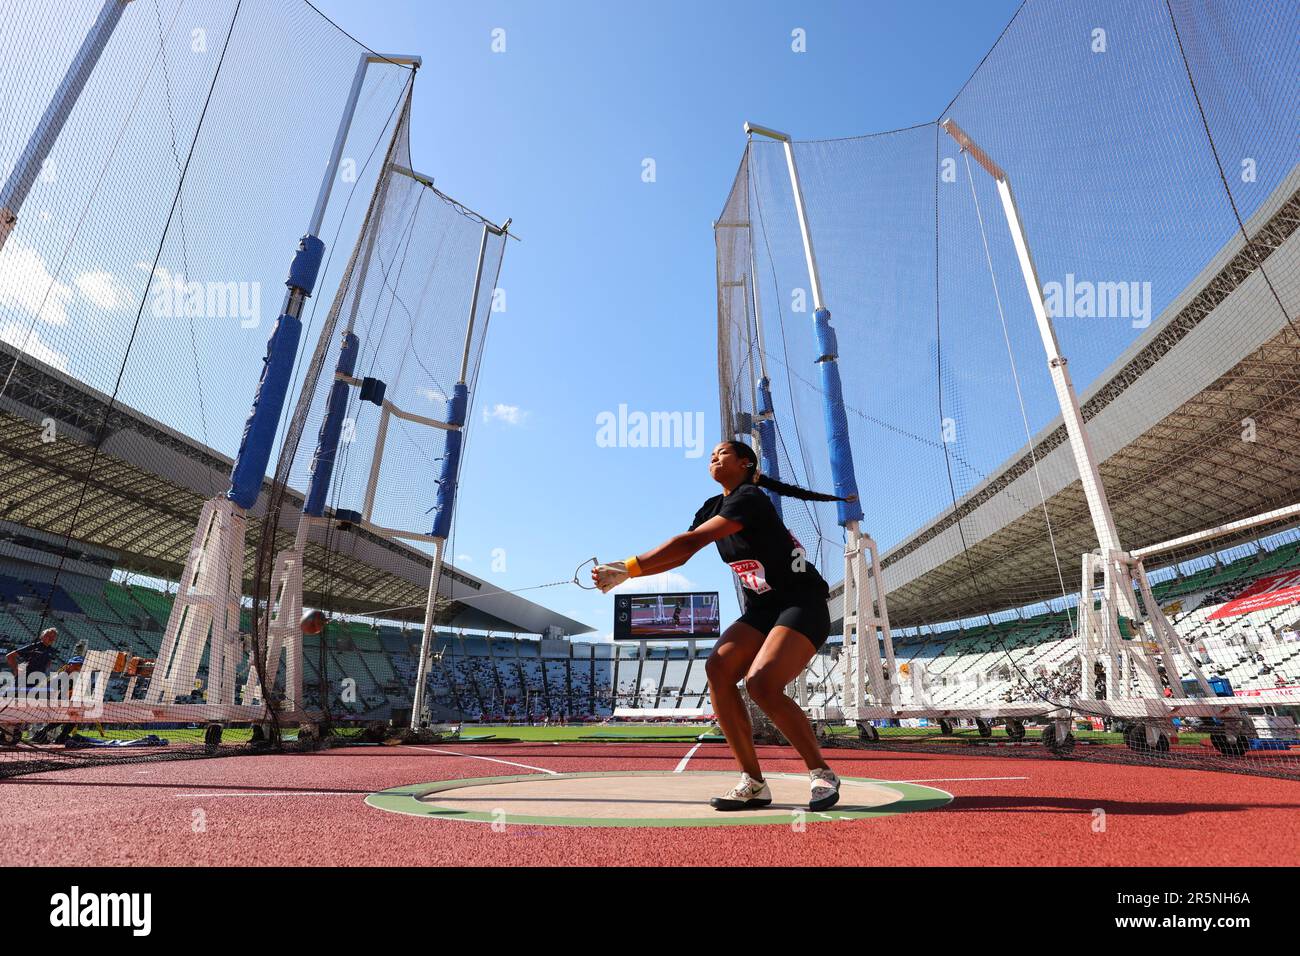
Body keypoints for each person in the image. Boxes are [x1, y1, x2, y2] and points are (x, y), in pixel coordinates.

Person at [593, 440, 852, 812]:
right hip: (763, 608)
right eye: (711, 454)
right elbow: (683, 552)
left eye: (723, 453)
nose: (714, 457)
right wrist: (626, 574)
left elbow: (691, 540)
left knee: (762, 683)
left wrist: (626, 568)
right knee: (718, 668)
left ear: (746, 463)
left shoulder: (750, 497)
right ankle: (753, 783)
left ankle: (821, 773)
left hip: (800, 602)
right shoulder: (711, 507)